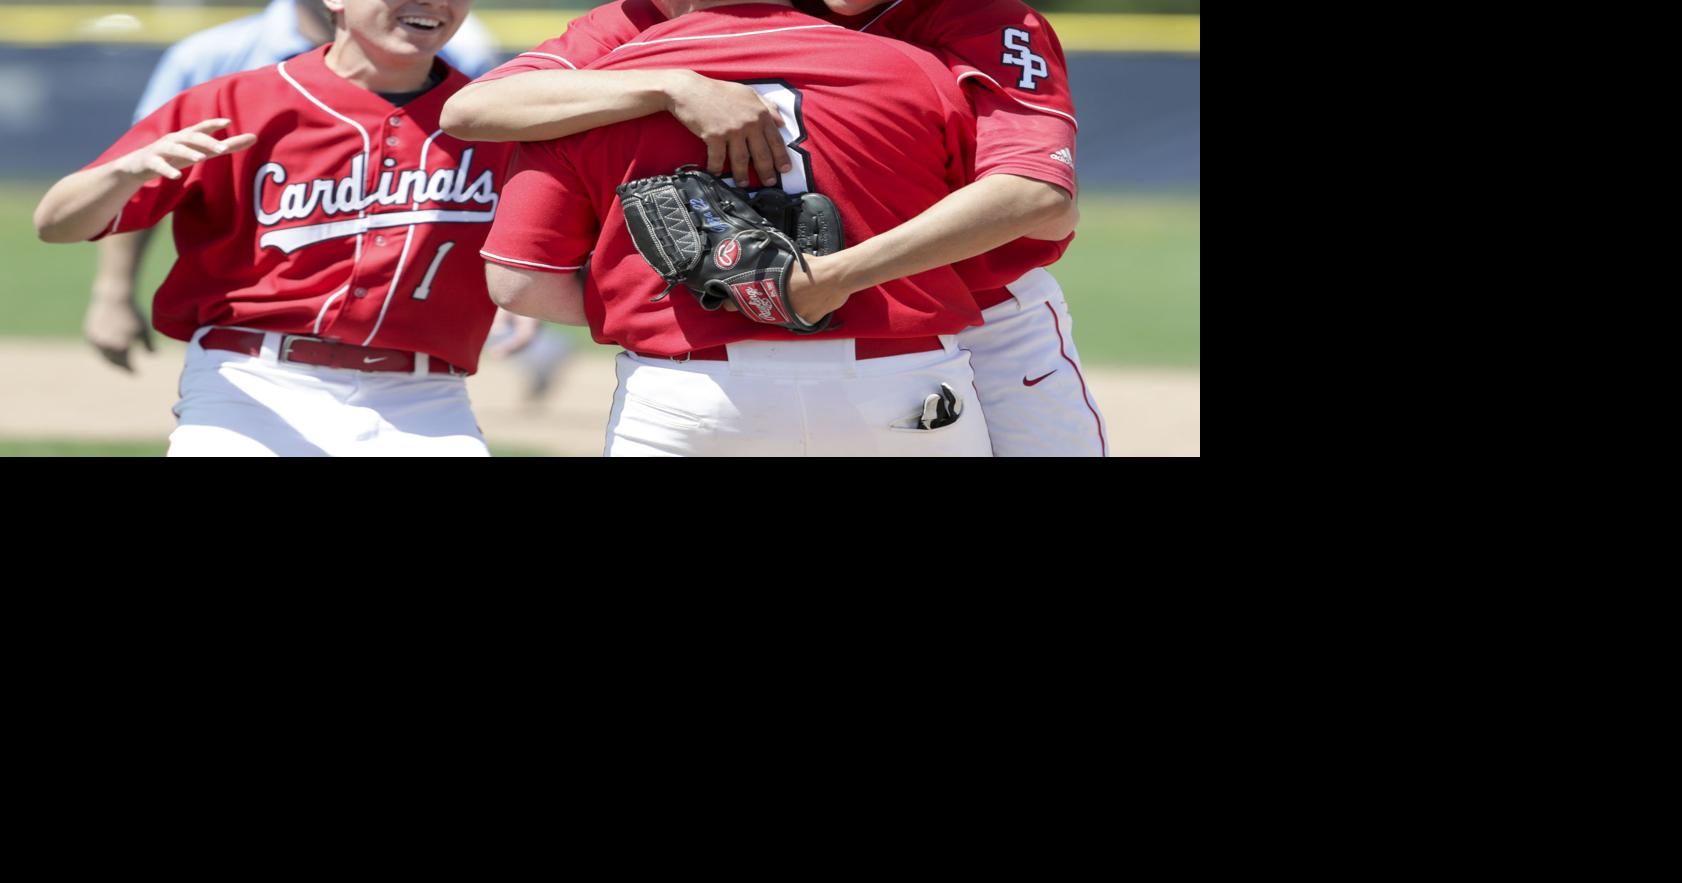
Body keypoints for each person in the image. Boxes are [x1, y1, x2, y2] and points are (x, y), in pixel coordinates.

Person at [443, 0, 1108, 456]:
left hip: (985, 308)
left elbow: (1036, 194)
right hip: (882, 352)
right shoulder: (649, 16)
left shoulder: (986, 21)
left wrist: (835, 276)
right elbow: (472, 107)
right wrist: (673, 86)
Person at [35, 0, 513, 457]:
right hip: (251, 383)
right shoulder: (232, 102)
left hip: (426, 398)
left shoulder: (491, 122)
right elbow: (55, 224)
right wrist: (125, 171)